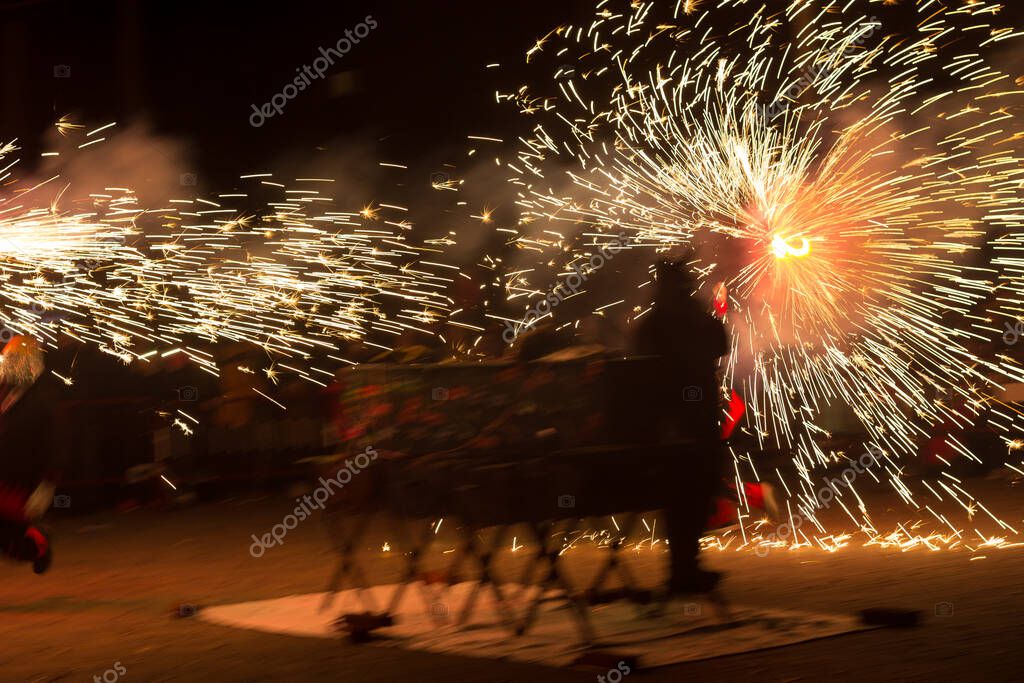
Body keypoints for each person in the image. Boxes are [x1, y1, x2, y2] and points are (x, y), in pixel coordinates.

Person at [634, 257, 728, 594]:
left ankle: (683, 568)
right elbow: (721, 343)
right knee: (694, 494)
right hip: (694, 420)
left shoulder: (653, 322)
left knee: (680, 500)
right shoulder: (692, 318)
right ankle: (685, 569)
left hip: (669, 424)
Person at [0, 335, 63, 574]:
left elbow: (56, 444)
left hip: (23, 482)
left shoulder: (42, 399)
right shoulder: (7, 393)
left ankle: (39, 542)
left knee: (14, 545)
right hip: (5, 475)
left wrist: (47, 483)